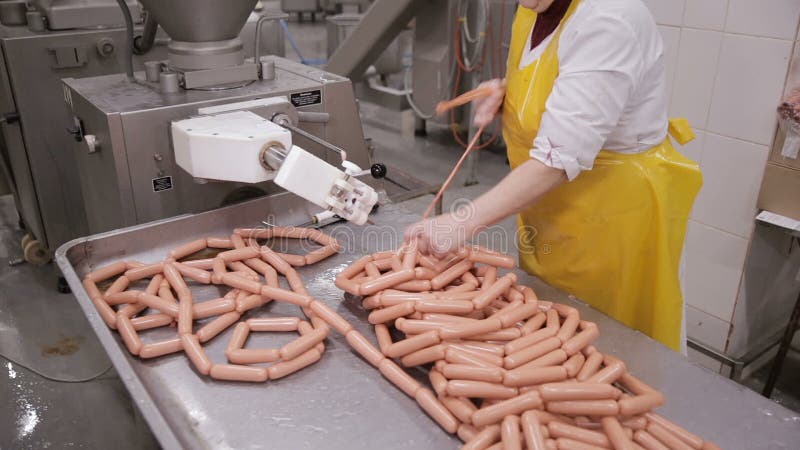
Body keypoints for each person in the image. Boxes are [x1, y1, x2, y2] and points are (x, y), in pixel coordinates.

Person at [404, 0, 702, 352]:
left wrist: (462, 221)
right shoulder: (534, 6)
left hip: (612, 221)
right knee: (547, 333)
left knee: (607, 349)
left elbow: (556, 161)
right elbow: (560, 76)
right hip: (550, 211)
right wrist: (510, 93)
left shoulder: (609, 18)